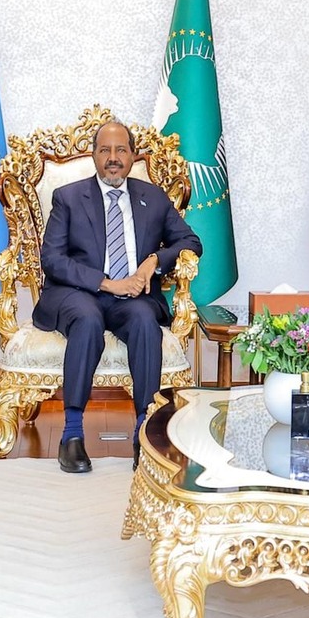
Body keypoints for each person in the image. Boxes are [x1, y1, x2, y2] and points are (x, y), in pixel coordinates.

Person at [34, 119, 202, 473]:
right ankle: (73, 434)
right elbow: (52, 259)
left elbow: (190, 242)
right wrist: (107, 283)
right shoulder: (67, 197)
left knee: (144, 321)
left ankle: (144, 430)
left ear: (132, 156)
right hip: (80, 293)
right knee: (88, 318)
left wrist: (152, 263)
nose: (113, 158)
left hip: (134, 296)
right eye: (105, 150)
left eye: (121, 150)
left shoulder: (153, 197)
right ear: (93, 155)